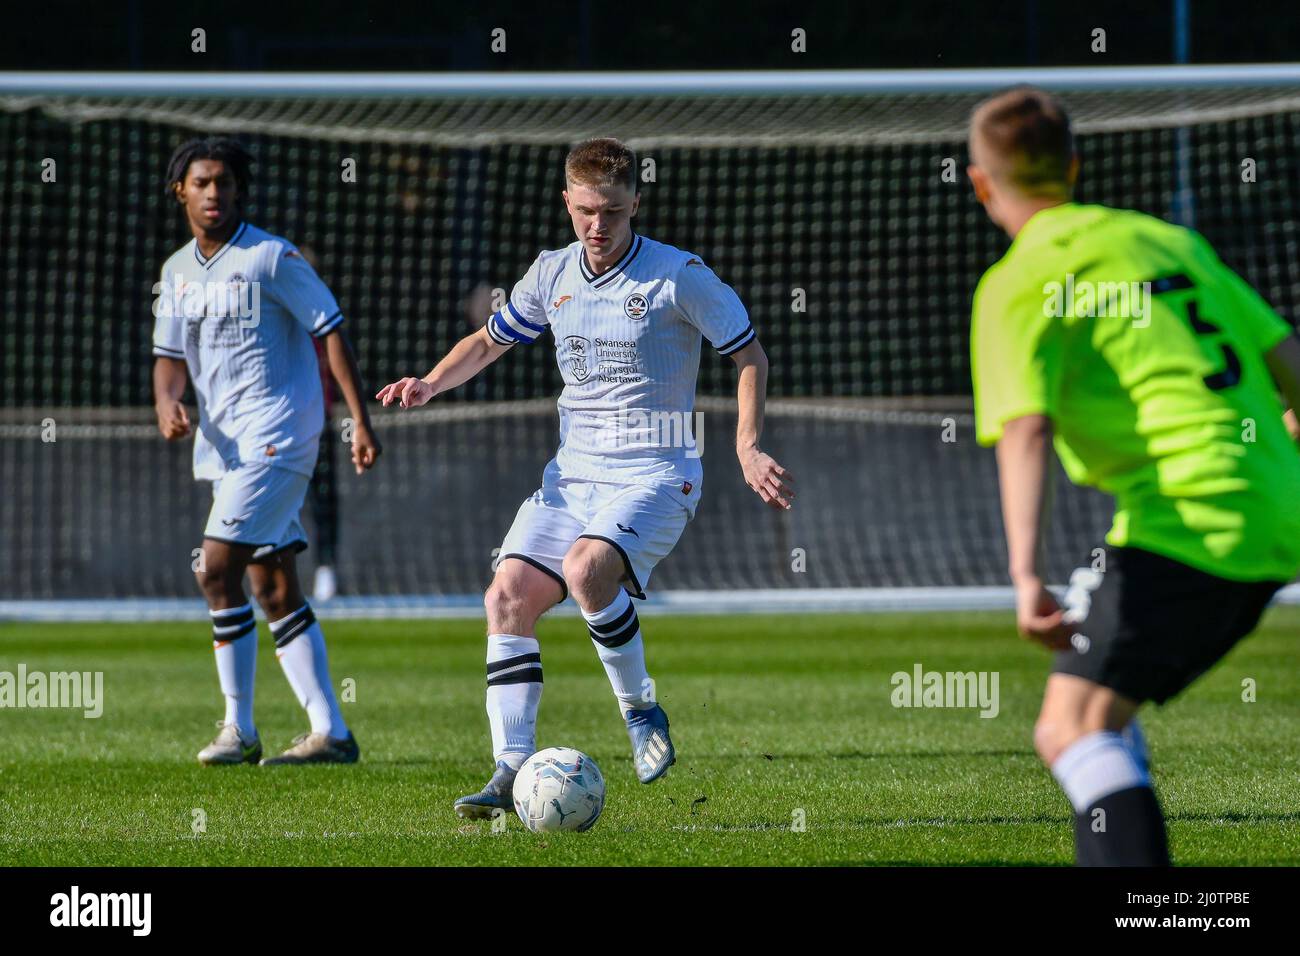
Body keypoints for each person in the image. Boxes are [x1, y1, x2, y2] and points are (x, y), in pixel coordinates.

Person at [377, 137, 794, 817]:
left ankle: (640, 714)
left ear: (636, 203)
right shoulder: (551, 274)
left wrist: (747, 447)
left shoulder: (678, 275)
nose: (598, 227)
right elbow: (490, 341)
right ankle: (510, 771)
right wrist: (430, 382)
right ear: (566, 202)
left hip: (658, 472)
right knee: (507, 596)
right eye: (586, 212)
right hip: (572, 477)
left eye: (613, 213)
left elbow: (751, 355)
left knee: (585, 569)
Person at [967, 87, 1300, 865]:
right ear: (1075, 165)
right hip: (1274, 504)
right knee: (1090, 697)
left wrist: (1022, 574)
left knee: (1070, 728)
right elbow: (1288, 362)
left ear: (981, 183)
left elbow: (1026, 430)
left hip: (1192, 517)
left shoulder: (1017, 283)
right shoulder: (1165, 242)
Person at [152, 137, 381, 765]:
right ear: (182, 191)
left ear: (238, 190)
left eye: (224, 182)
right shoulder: (175, 273)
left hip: (280, 435)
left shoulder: (271, 258)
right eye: (202, 182)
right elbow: (169, 359)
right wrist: (167, 403)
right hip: (224, 447)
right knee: (273, 587)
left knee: (214, 568)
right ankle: (331, 732)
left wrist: (359, 422)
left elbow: (330, 330)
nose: (214, 193)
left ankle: (238, 729)